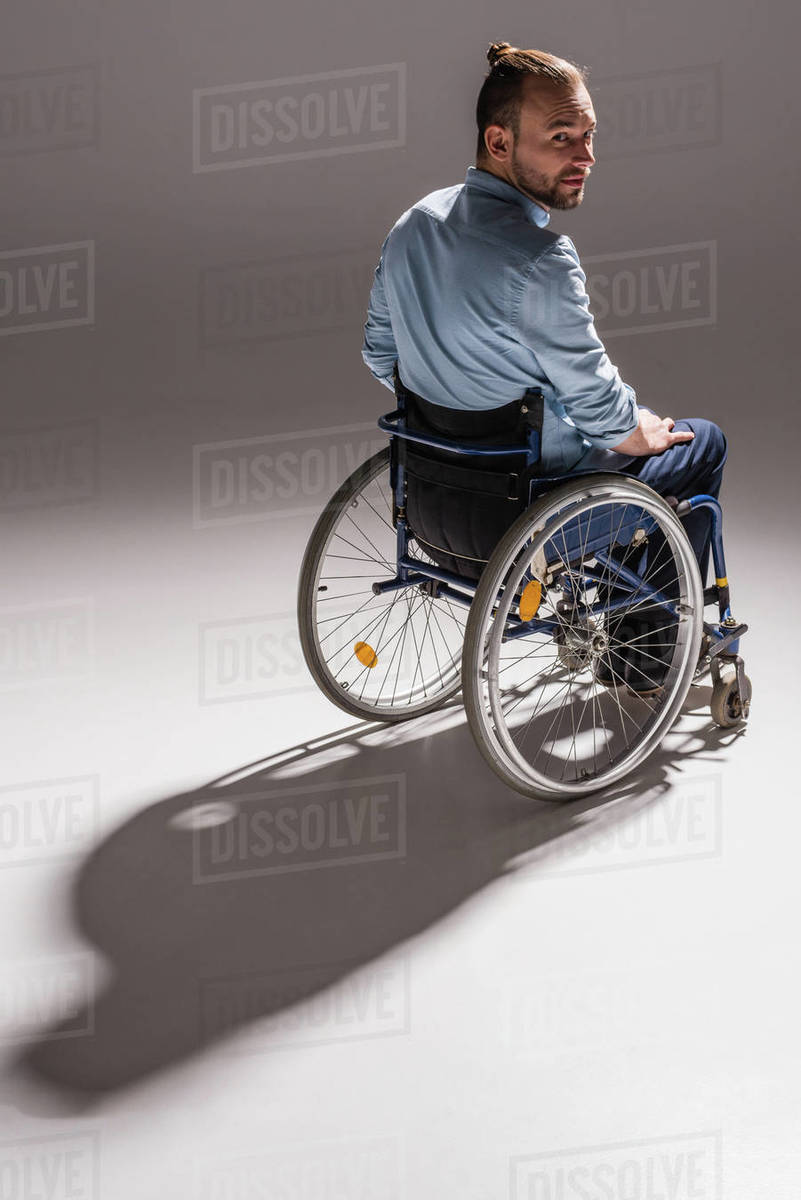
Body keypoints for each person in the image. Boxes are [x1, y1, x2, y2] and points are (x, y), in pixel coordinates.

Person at [361, 41, 727, 694]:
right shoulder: (540, 258)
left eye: (587, 136)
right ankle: (640, 660)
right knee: (698, 443)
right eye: (560, 137)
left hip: (430, 504)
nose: (584, 158)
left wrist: (452, 403)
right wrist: (636, 430)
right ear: (498, 142)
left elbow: (379, 353)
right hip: (521, 514)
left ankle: (625, 615)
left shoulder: (413, 224)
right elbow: (594, 405)